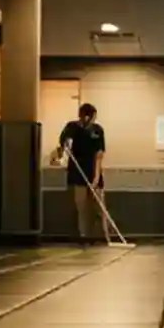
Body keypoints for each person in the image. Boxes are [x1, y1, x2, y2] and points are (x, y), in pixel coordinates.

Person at [56, 103, 110, 244]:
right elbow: (63, 143)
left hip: (94, 171)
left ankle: (104, 236)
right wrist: (65, 145)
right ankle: (84, 236)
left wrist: (96, 177)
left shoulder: (98, 130)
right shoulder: (71, 127)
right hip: (77, 172)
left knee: (99, 206)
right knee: (81, 207)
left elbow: (99, 155)